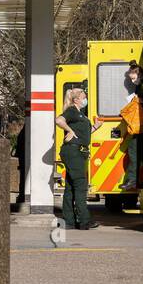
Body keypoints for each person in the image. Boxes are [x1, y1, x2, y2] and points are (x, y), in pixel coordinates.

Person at [55, 88, 102, 230]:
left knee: (70, 186)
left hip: (78, 152)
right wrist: (69, 130)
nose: (85, 99)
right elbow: (59, 120)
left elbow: (83, 134)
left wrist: (95, 127)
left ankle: (69, 221)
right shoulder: (71, 111)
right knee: (81, 185)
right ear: (76, 99)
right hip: (73, 151)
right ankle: (84, 220)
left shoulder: (80, 114)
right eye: (83, 97)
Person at [118, 62, 143, 192]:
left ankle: (132, 180)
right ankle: (139, 180)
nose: (132, 81)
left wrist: (140, 99)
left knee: (133, 152)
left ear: (138, 73)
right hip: (142, 125)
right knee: (138, 153)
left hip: (142, 125)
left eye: (133, 78)